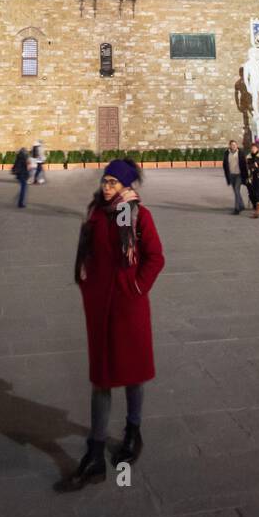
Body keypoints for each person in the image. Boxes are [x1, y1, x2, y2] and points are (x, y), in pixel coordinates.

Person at [56, 158, 164, 492]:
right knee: (101, 379)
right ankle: (95, 453)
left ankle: (133, 432)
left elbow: (155, 257)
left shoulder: (138, 215)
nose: (106, 187)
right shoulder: (95, 213)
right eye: (105, 181)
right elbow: (86, 253)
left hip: (128, 307)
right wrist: (86, 283)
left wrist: (134, 288)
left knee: (132, 375)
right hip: (99, 307)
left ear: (127, 186)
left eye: (113, 182)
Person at [222, 138, 248, 214]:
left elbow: (244, 164)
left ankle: (237, 209)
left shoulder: (240, 153)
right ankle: (242, 205)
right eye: (232, 145)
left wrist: (246, 176)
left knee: (236, 190)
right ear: (229, 146)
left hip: (239, 175)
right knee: (236, 192)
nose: (233, 146)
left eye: (235, 144)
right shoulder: (227, 153)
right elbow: (225, 164)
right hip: (231, 175)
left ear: (237, 145)